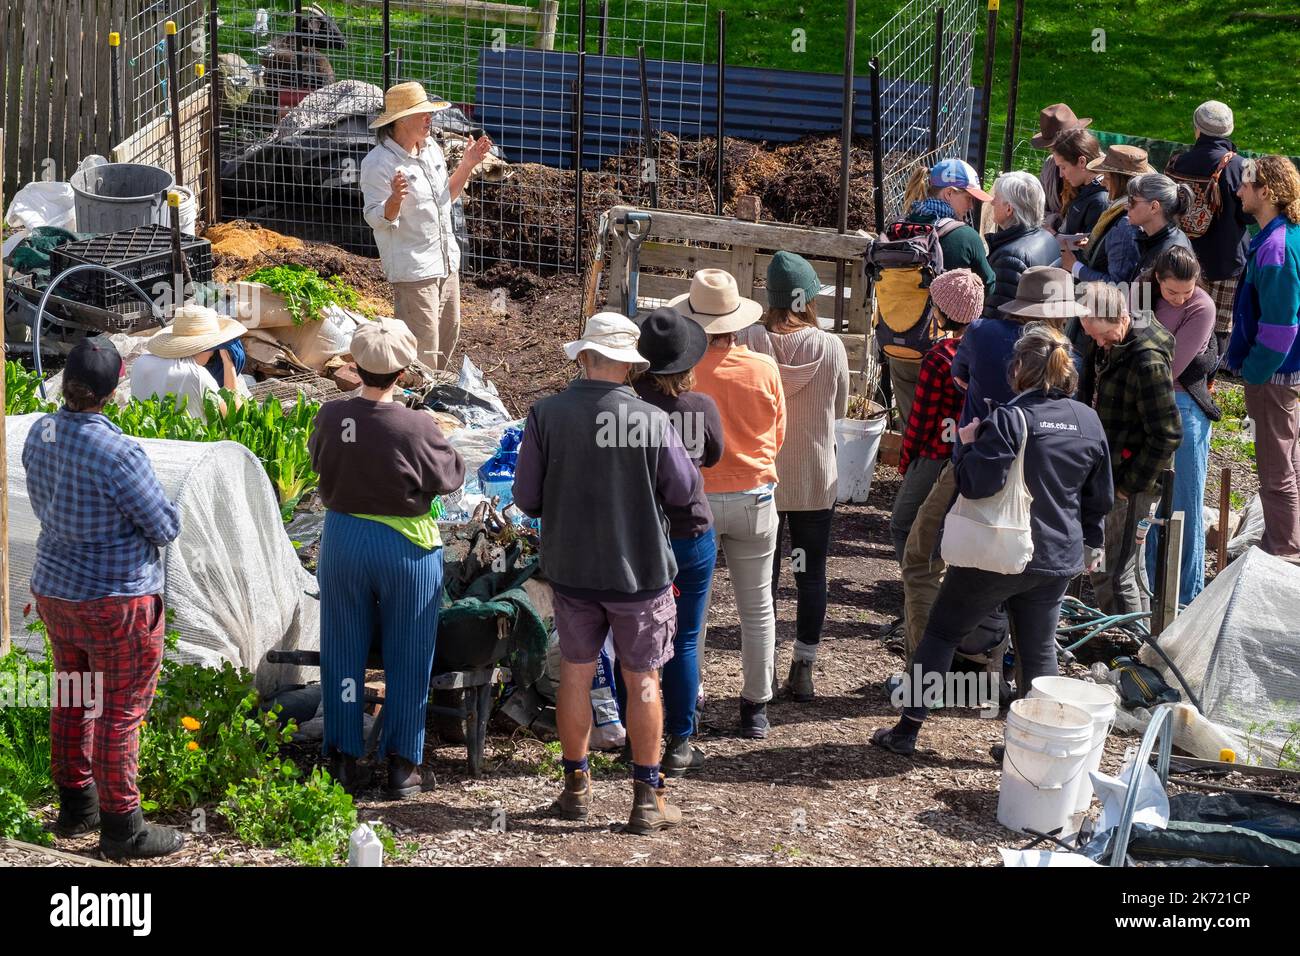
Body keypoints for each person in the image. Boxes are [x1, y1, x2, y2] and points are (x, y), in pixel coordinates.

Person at [872, 325, 1113, 755]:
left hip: (1000, 553)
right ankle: (1031, 747)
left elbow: (977, 485)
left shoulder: (1009, 418)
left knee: (942, 633)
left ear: (1018, 368)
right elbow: (1100, 498)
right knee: (1038, 652)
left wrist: (965, 446)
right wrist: (1088, 543)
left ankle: (907, 731)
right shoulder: (1089, 420)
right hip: (1058, 556)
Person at [513, 312, 700, 834]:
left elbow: (526, 498)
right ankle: (647, 799)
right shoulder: (651, 420)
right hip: (638, 574)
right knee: (643, 679)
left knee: (575, 672)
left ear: (584, 356)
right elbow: (684, 494)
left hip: (571, 570)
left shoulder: (545, 415)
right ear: (630, 365)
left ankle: (575, 789)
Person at [23, 337, 185, 859]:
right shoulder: (119, 452)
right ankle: (123, 829)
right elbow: (163, 527)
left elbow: (44, 500)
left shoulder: (38, 433)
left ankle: (77, 806)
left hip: (55, 590)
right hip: (116, 602)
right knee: (119, 712)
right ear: (114, 389)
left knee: (72, 694)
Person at [308, 318, 466, 799]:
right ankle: (403, 764)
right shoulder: (416, 424)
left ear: (355, 366)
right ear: (403, 371)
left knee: (342, 652)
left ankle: (343, 757)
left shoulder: (332, 416)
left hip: (344, 541)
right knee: (409, 655)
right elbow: (451, 476)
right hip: (405, 549)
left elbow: (318, 462)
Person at [900, 268, 1088, 667]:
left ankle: (923, 669)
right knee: (1021, 584)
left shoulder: (982, 333)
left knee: (923, 560)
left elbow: (960, 379)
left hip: (975, 467)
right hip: (1045, 482)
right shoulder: (1072, 358)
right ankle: (994, 673)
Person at [672, 269, 785, 738]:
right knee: (757, 607)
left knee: (690, 610)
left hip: (695, 500)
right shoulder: (764, 367)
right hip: (753, 497)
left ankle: (688, 700)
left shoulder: (684, 375)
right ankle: (755, 707)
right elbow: (778, 435)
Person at [738, 252, 849, 702]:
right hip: (813, 479)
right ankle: (803, 666)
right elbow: (839, 411)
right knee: (811, 573)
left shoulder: (747, 340)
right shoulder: (832, 348)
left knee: (763, 575)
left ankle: (760, 671)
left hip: (762, 476)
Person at [628, 306, 724, 775]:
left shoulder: (624, 410)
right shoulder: (699, 407)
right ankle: (680, 741)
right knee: (684, 639)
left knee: (635, 642)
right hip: (688, 531)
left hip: (636, 535)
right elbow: (715, 454)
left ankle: (636, 731)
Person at [360, 81, 494, 370]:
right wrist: (394, 199)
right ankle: (415, 408)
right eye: (422, 114)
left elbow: (446, 197)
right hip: (415, 270)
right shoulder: (378, 163)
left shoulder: (431, 148)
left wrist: (468, 163)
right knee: (422, 350)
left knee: (448, 336)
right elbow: (375, 218)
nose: (429, 119)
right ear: (401, 120)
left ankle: (435, 402)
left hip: (445, 262)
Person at [1078, 282, 1183, 613]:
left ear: (1122, 318)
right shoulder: (1112, 341)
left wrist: (1127, 486)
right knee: (1117, 564)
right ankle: (1128, 631)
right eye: (1091, 336)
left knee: (1113, 566)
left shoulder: (1146, 362)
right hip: (1107, 468)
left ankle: (1124, 641)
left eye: (1103, 335)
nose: (1098, 343)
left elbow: (1167, 433)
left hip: (1129, 479)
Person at [1223, 155, 1300, 560]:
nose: (1238, 190)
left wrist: (1254, 372)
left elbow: (1280, 328)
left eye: (1245, 183)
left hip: (1276, 375)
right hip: (1286, 371)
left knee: (1275, 469)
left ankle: (1283, 552)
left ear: (1266, 192)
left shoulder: (1275, 247)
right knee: (1289, 459)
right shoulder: (1286, 234)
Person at [889, 158, 996, 428]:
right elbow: (989, 286)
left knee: (909, 427)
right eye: (968, 197)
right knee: (944, 430)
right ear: (949, 193)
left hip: (897, 342)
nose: (972, 205)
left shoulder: (899, 228)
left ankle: (909, 468)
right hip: (944, 351)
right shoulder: (965, 237)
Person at [890, 268, 984, 564]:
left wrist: (907, 462)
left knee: (903, 522)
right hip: (975, 453)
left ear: (946, 313)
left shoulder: (939, 357)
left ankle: (916, 592)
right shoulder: (990, 352)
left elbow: (920, 422)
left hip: (936, 454)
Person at [1146, 247, 1219, 602]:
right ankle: (1146, 591)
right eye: (1172, 291)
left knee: (1185, 506)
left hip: (1184, 407)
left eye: (1186, 291)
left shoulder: (1202, 306)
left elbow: (1169, 367)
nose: (1179, 298)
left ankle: (1186, 597)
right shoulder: (1142, 293)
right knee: (1145, 503)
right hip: (1147, 402)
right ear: (1157, 279)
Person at [1166, 101, 1254, 355]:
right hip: (1225, 262)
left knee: (1178, 317)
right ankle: (1208, 380)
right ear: (1229, 131)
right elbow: (1249, 217)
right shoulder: (1244, 166)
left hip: (1180, 258)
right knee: (1219, 325)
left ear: (1197, 129)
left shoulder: (1177, 162)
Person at [130, 304, 251, 417]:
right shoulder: (197, 375)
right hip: (186, 439)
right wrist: (228, 363)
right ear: (208, 348)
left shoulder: (141, 362)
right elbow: (233, 416)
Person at [1063, 144, 1154, 286]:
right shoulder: (1120, 211)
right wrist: (1092, 244)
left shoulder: (1126, 224)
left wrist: (1074, 267)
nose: (1102, 182)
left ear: (1120, 181)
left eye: (1106, 176)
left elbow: (1118, 285)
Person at [982, 171, 1060, 318]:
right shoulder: (1047, 238)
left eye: (996, 198)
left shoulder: (1009, 258)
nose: (992, 202)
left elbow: (995, 316)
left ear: (1009, 209)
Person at [1031, 104, 1093, 231]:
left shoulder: (1098, 171)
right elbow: (1039, 209)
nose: (1061, 174)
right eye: (1051, 147)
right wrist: (1053, 224)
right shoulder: (1049, 165)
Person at [1126, 173, 1195, 277]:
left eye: (1132, 201)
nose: (1126, 206)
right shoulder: (1159, 239)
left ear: (1154, 207)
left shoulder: (1168, 256)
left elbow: (1147, 293)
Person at [1051, 128, 1111, 237]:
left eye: (1063, 167)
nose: (1061, 174)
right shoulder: (1083, 187)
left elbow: (1086, 250)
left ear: (1082, 162)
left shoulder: (1100, 202)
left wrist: (1053, 236)